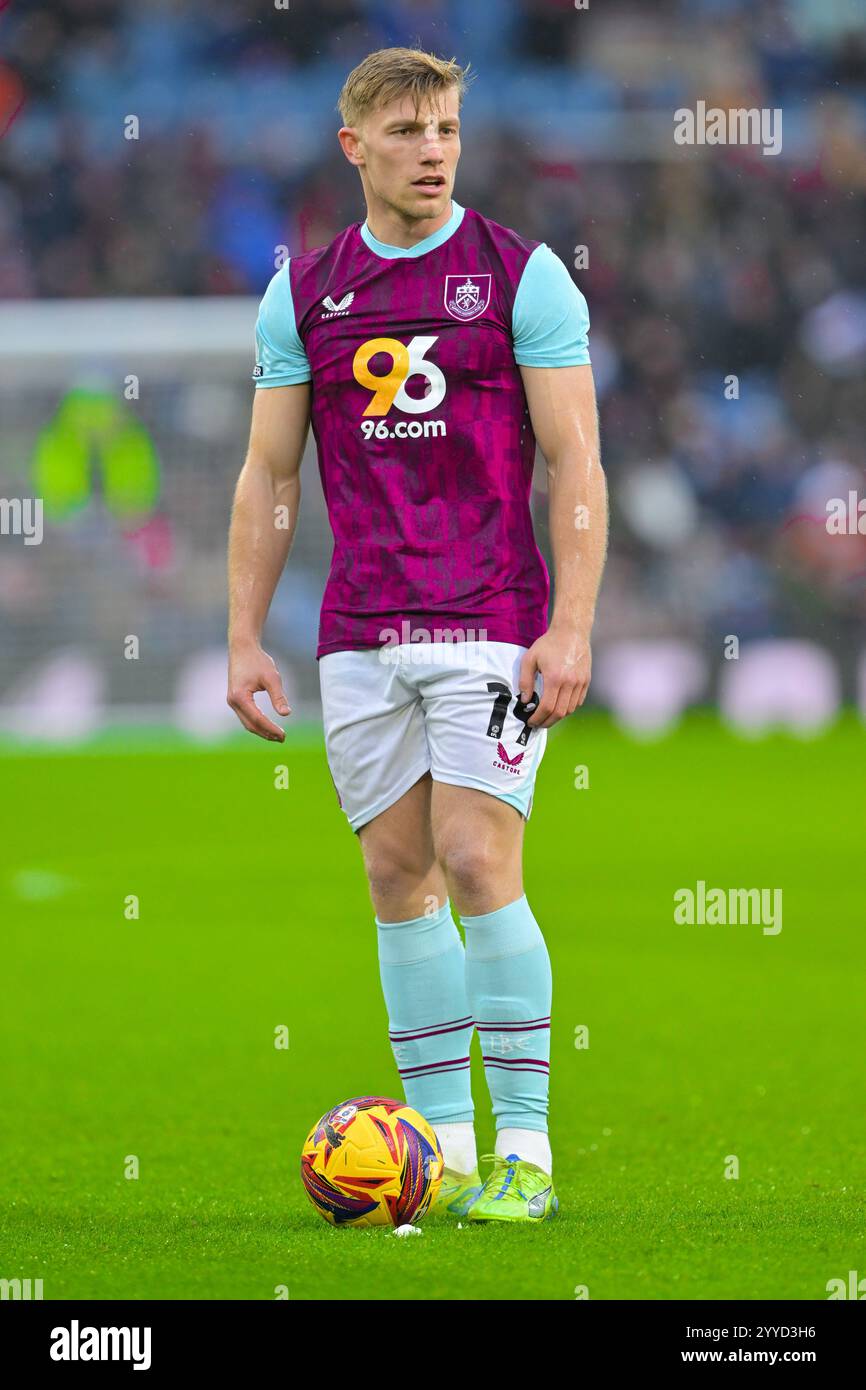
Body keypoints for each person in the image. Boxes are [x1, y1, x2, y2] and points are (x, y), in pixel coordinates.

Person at [227, 46, 607, 1222]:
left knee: (480, 857)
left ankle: (529, 1158)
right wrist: (243, 634)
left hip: (488, 617)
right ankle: (436, 1150)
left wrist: (572, 623)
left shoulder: (519, 276)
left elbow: (576, 463)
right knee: (397, 875)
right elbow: (269, 472)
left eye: (443, 128)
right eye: (404, 132)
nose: (431, 149)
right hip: (357, 633)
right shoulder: (303, 294)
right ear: (354, 148)